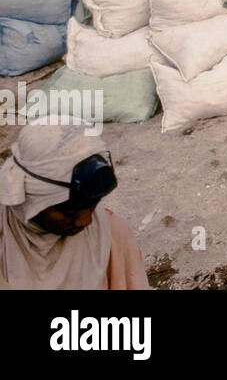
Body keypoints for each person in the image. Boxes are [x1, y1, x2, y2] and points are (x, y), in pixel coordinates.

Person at [0, 118, 148, 289]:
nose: (84, 222)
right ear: (32, 201)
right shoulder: (5, 237)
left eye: (91, 208)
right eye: (69, 213)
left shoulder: (112, 235)